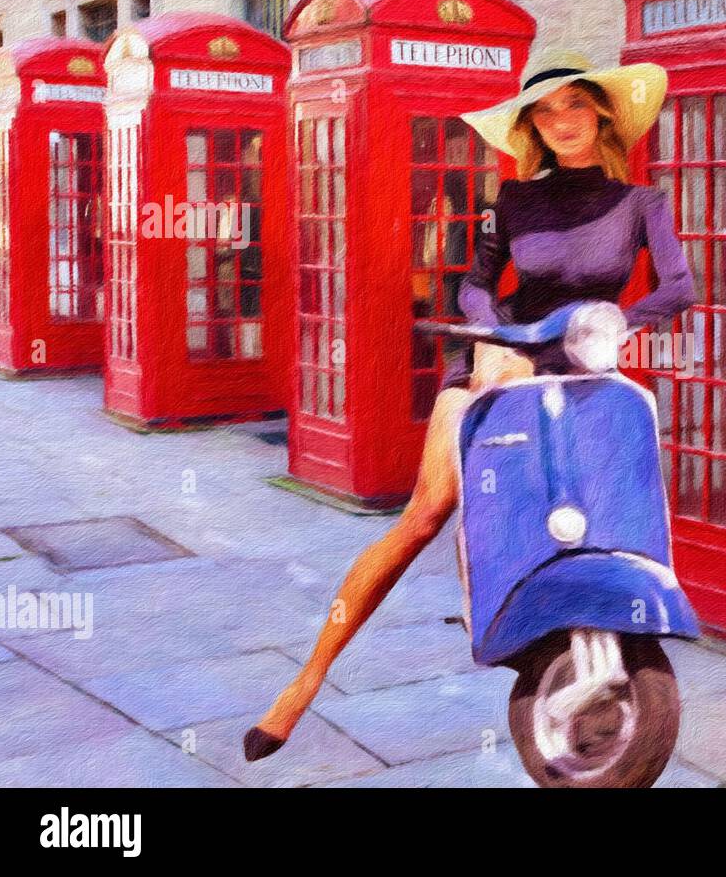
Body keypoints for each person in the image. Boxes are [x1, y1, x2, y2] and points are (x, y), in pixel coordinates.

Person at [243, 49, 698, 761]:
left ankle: (547, 622)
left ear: (602, 114)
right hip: (503, 356)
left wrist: (618, 323)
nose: (562, 121)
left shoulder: (643, 203)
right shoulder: (509, 202)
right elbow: (475, 285)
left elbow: (678, 287)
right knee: (427, 513)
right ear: (532, 128)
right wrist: (491, 337)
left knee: (593, 505)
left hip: (583, 362)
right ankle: (303, 683)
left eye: (575, 105)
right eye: (544, 113)